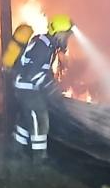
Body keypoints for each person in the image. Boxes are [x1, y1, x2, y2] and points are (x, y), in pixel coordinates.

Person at [11, 14, 74, 159]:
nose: (67, 39)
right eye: (66, 35)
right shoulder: (43, 47)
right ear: (58, 33)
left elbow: (42, 70)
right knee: (40, 120)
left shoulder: (45, 44)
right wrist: (51, 88)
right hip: (28, 89)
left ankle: (15, 151)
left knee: (26, 120)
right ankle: (39, 159)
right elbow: (33, 74)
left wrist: (52, 84)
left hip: (24, 87)